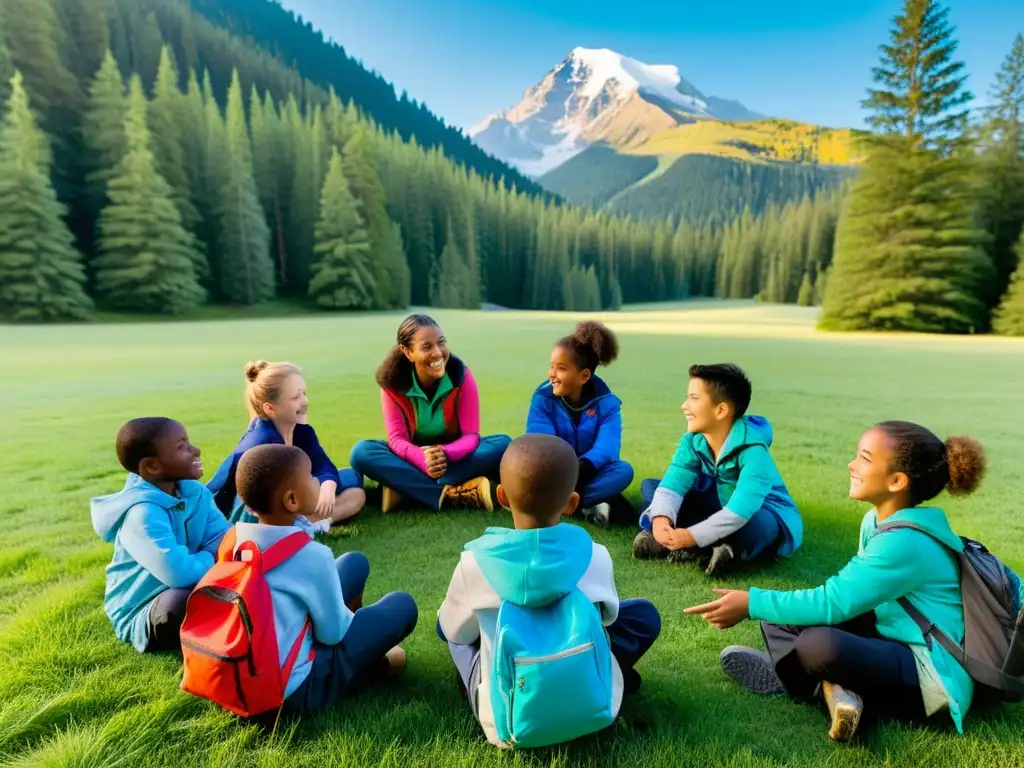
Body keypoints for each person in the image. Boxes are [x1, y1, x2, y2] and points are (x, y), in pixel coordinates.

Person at [684, 421, 988, 742]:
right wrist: (761, 605)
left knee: (818, 644)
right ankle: (832, 688)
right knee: (780, 620)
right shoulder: (879, 521)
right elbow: (848, 599)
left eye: (865, 459)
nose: (851, 464)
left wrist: (750, 603)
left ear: (897, 481)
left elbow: (833, 602)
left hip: (934, 681)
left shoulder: (905, 543)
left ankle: (815, 684)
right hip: (894, 634)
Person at [437, 433, 661, 748]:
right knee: (642, 615)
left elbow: (455, 633)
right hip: (593, 705)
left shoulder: (473, 563)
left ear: (501, 497)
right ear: (572, 503)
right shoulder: (594, 555)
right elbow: (609, 619)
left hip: (507, 724)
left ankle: (479, 685)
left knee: (446, 625)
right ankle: (585, 681)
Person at [224, 444, 418, 715]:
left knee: (353, 562)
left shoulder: (233, 543)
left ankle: (358, 653)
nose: (318, 481)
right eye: (311, 477)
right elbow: (332, 633)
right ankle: (363, 663)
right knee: (401, 605)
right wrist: (360, 625)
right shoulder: (311, 555)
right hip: (296, 691)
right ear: (292, 501)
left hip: (245, 674)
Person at [633, 363, 803, 575]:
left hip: (758, 511)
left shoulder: (754, 451)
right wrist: (660, 521)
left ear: (721, 410)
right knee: (652, 488)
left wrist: (690, 536)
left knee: (761, 525)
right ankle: (682, 541)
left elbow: (738, 513)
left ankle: (725, 552)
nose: (684, 406)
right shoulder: (693, 440)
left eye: (694, 398)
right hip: (718, 501)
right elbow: (672, 485)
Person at [90, 417, 230, 652]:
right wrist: (214, 559)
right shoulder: (141, 514)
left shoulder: (195, 492)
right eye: (181, 447)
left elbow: (223, 538)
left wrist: (222, 556)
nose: (195, 450)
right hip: (145, 609)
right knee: (179, 604)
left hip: (198, 580)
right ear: (153, 467)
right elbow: (178, 573)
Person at [350, 314, 511, 513]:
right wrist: (422, 459)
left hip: (453, 457)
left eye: (441, 343)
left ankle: (405, 489)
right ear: (407, 352)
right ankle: (453, 493)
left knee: (503, 443)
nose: (438, 353)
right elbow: (397, 439)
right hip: (414, 457)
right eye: (427, 347)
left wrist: (445, 454)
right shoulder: (391, 381)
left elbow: (471, 436)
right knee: (362, 452)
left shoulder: (461, 375)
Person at [207, 361, 366, 530]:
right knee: (343, 487)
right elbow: (259, 505)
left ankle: (311, 524)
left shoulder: (298, 430)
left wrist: (328, 485)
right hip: (247, 514)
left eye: (304, 394)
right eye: (295, 398)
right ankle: (310, 526)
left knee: (354, 487)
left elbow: (322, 463)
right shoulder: (262, 445)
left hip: (290, 501)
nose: (305, 402)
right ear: (271, 409)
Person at [525, 320, 634, 527]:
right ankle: (590, 502)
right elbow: (540, 445)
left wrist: (578, 469)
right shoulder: (542, 398)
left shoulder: (608, 404)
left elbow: (607, 450)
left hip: (587, 472)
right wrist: (564, 471)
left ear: (584, 376)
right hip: (552, 471)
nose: (551, 374)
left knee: (623, 471)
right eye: (551, 366)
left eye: (561, 369)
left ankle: (560, 504)